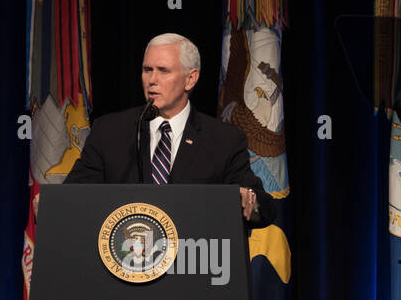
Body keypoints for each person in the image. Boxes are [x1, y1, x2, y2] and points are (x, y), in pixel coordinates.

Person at [42, 33, 275, 226]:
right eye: (147, 70)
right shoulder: (110, 131)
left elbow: (263, 209)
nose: (152, 80)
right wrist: (52, 204)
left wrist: (250, 201)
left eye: (163, 71)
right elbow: (73, 196)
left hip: (194, 265)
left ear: (190, 79)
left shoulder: (224, 140)